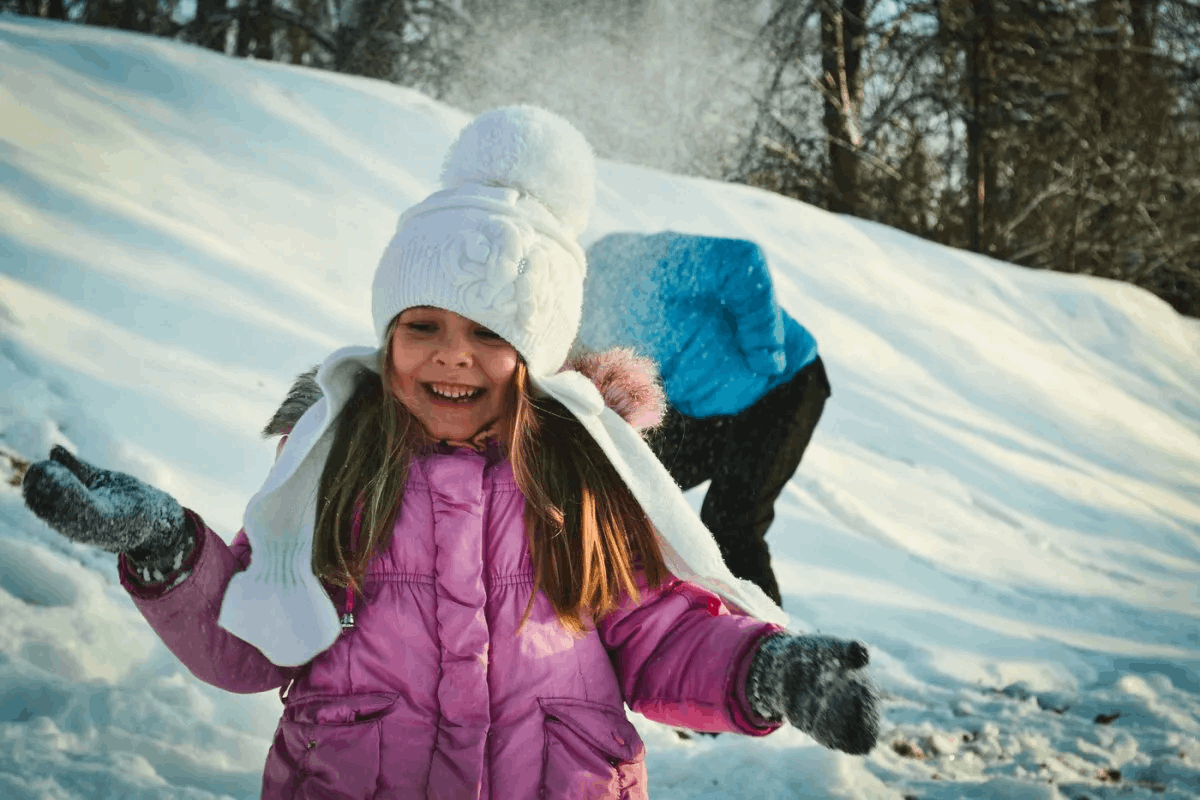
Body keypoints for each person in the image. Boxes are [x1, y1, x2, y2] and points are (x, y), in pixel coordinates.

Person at [21, 106, 877, 800]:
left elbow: (658, 637)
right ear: (386, 339)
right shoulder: (339, 473)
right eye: (422, 325)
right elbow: (253, 637)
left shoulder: (583, 481)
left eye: (488, 333)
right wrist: (167, 547)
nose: (451, 353)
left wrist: (766, 667)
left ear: (536, 354)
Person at [578, 232, 831, 606]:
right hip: (701, 412)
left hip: (783, 388)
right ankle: (623, 617)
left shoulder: (630, 262)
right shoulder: (570, 328)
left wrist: (765, 355)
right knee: (627, 488)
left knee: (731, 524)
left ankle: (770, 647)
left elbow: (741, 259)